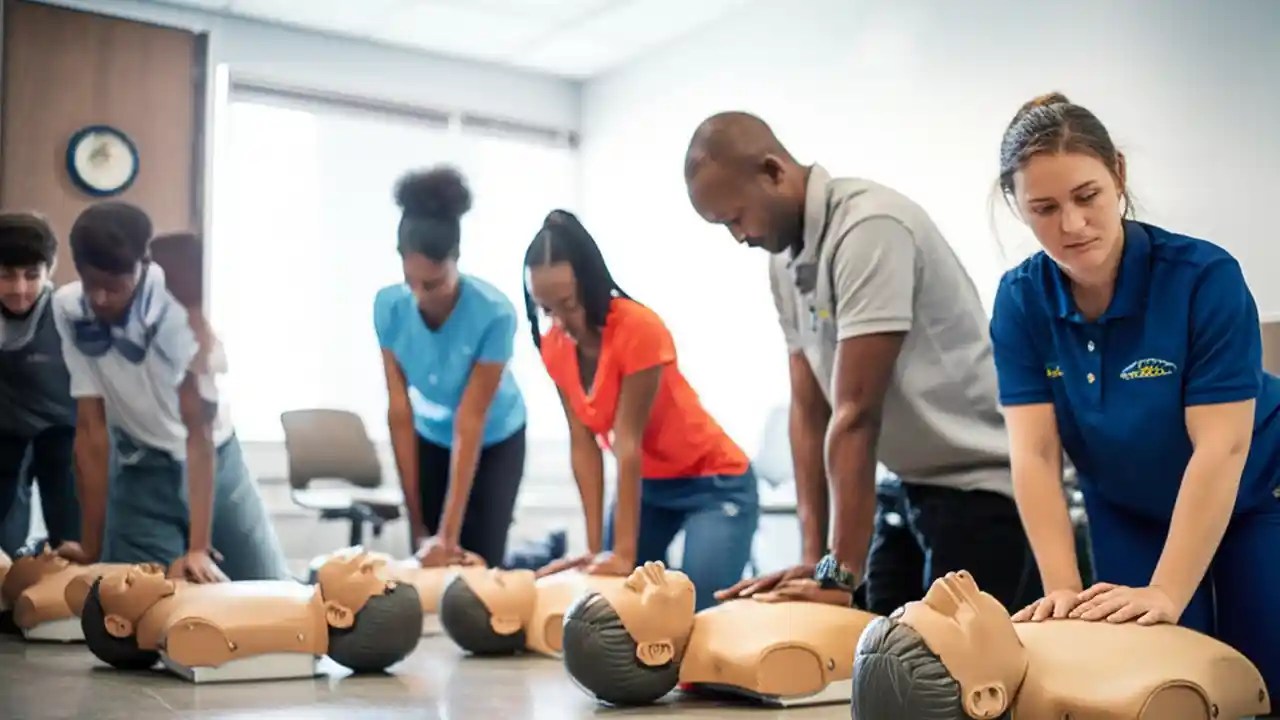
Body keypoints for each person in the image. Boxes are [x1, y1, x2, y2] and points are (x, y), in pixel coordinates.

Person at [684, 111, 1038, 615]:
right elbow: (809, 412)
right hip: (907, 486)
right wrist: (814, 559)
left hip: (980, 486)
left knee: (948, 669)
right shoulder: (784, 262)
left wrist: (837, 571)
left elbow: (855, 412)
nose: (738, 237)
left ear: (773, 172)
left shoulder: (869, 227)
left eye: (736, 217)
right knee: (868, 653)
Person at [988, 92, 1280, 695]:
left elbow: (1221, 450)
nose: (1071, 224)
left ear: (1117, 174)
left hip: (1256, 491)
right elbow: (1036, 457)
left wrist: (1169, 589)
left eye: (1087, 196)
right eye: (1044, 207)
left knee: (1260, 673)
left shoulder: (1204, 278)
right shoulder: (1020, 300)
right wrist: (1062, 591)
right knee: (1150, 679)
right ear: (1017, 207)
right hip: (1127, 507)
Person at [523, 209, 760, 611]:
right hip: (650, 487)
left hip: (714, 483)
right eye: (547, 310)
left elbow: (626, 441)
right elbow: (583, 446)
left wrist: (623, 554)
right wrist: (598, 549)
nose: (561, 320)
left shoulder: (638, 328)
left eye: (567, 303)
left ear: (590, 284)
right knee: (618, 603)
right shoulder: (555, 346)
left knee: (696, 607)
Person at [50, 202, 287, 583]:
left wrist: (198, 547)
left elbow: (200, 433)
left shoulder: (180, 312)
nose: (101, 300)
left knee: (269, 592)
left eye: (115, 286)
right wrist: (90, 545)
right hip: (141, 468)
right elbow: (91, 432)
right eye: (91, 284)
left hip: (215, 463)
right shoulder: (67, 308)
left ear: (141, 267)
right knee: (136, 607)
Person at [375, 166, 527, 569]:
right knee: (425, 557)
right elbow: (399, 413)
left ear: (455, 261)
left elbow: (471, 420)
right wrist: (421, 526)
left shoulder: (494, 314)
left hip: (494, 436)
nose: (420, 296)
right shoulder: (388, 308)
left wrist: (447, 534)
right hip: (430, 434)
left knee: (476, 562)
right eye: (411, 281)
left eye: (434, 284)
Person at [0, 212, 80, 556]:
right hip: (5, 435)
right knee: (4, 540)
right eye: (5, 276)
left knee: (72, 537)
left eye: (32, 275)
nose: (19, 289)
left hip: (65, 432)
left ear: (51, 269)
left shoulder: (73, 314)